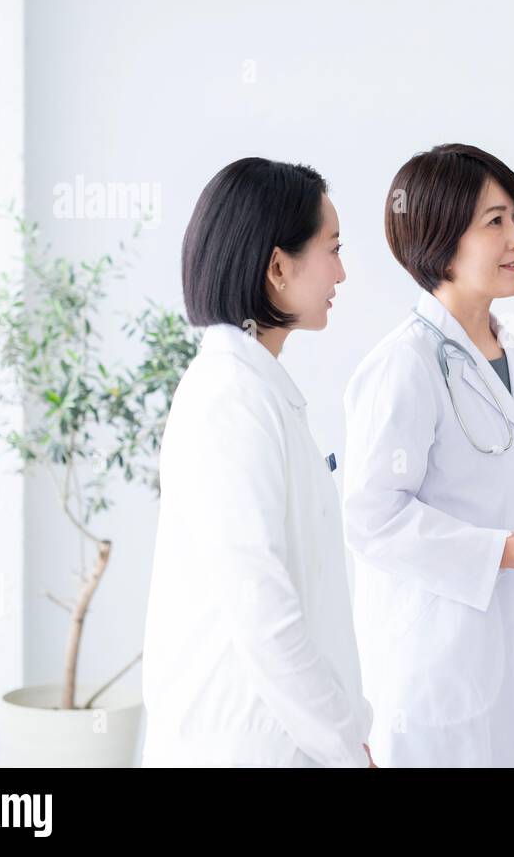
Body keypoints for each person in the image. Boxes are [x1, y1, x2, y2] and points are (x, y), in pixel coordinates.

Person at [341, 143, 514, 766]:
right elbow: (371, 519)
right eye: (496, 221)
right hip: (441, 667)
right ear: (439, 240)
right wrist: (509, 552)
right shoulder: (402, 366)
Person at [142, 157, 374, 767]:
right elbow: (262, 611)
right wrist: (345, 747)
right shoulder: (231, 398)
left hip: (282, 739)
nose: (343, 272)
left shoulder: (254, 388)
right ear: (277, 266)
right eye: (334, 248)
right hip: (245, 746)